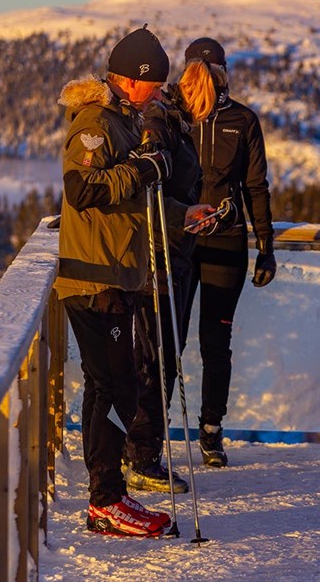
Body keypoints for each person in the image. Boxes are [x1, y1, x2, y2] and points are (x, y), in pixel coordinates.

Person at [54, 26, 215, 537]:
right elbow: (83, 190)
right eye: (157, 81)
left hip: (116, 275)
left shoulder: (124, 122)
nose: (162, 91)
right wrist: (142, 170)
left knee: (114, 386)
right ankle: (106, 500)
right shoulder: (96, 123)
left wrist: (183, 213)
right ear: (134, 78)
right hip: (93, 278)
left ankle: (111, 496)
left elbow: (134, 204)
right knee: (114, 387)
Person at [171, 37, 276, 468]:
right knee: (168, 339)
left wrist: (266, 246)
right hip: (179, 238)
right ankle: (149, 435)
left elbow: (256, 187)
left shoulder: (242, 120)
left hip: (225, 239)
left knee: (216, 342)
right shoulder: (172, 117)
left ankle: (211, 429)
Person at [122, 93, 204, 495]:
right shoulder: (160, 123)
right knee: (156, 358)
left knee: (160, 356)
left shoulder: (177, 125)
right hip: (159, 256)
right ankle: (141, 455)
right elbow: (145, 192)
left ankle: (140, 450)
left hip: (174, 249)